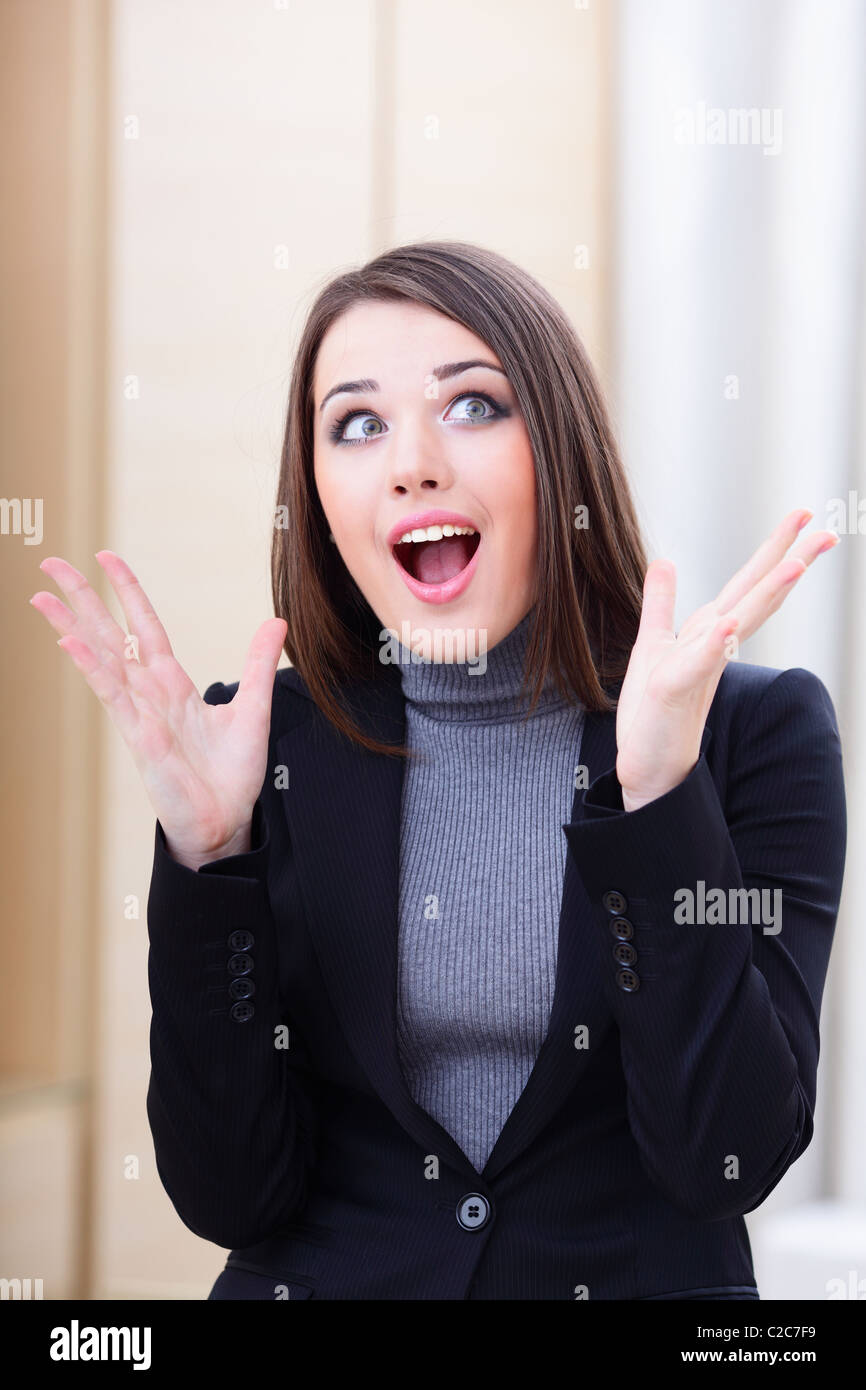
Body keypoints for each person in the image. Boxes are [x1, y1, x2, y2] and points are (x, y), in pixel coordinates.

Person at [30, 240, 846, 1300]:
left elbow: (723, 1160)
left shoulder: (751, 733)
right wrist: (210, 863)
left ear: (558, 453)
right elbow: (228, 1197)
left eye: (470, 405)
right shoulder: (263, 749)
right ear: (318, 493)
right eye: (356, 424)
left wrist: (655, 799)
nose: (410, 460)